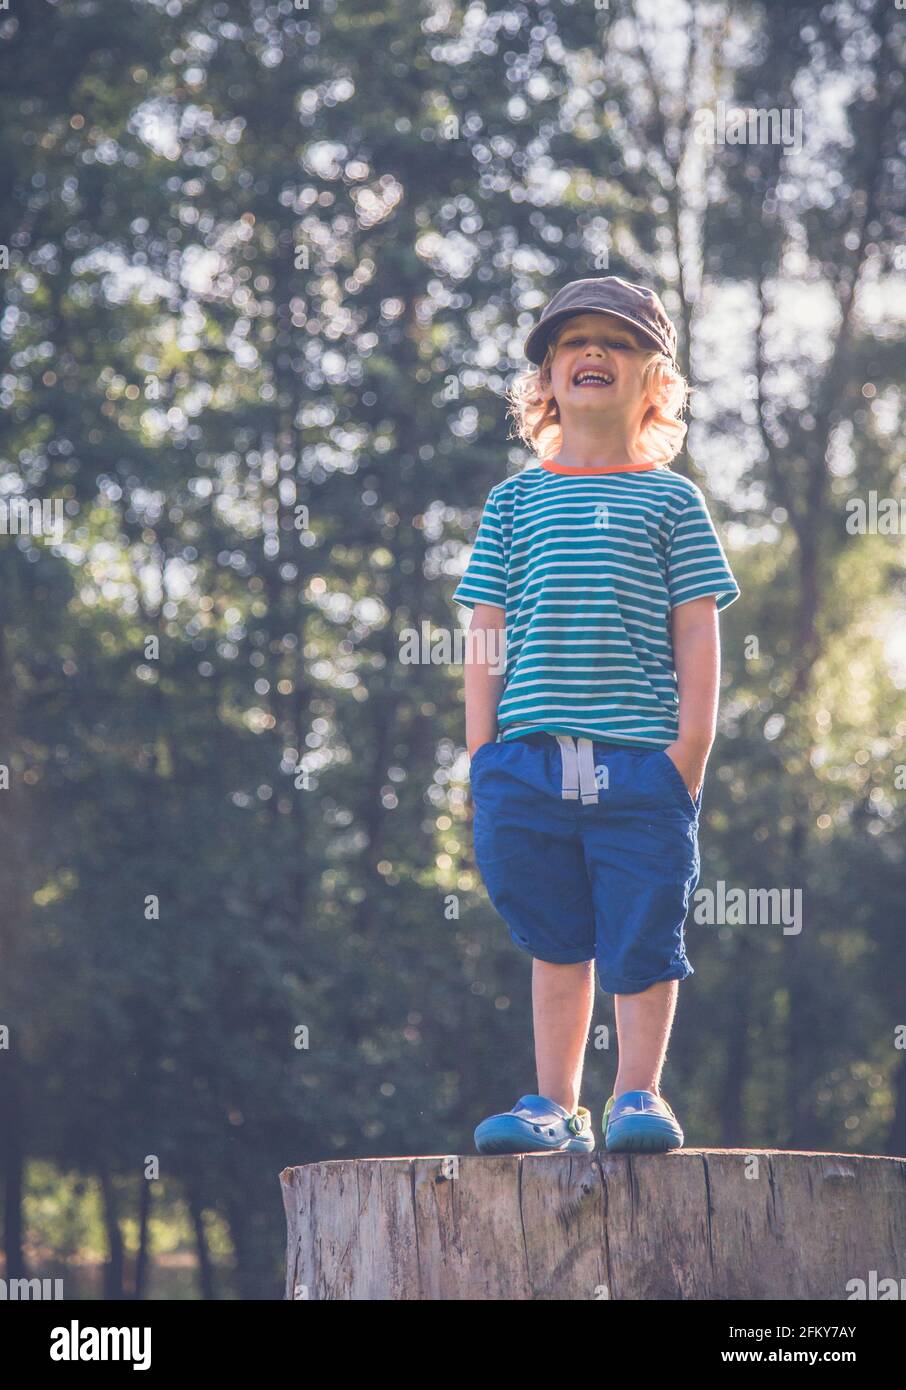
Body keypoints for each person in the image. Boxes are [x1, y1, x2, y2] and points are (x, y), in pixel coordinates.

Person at [452, 276, 740, 1154]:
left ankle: (638, 1097)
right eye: (571, 341)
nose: (591, 354)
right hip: (528, 765)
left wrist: (687, 753)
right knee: (555, 937)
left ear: (655, 379)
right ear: (544, 379)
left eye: (615, 343)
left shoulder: (673, 501)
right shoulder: (514, 501)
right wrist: (482, 756)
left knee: (644, 933)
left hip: (640, 764)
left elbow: (697, 634)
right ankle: (553, 1106)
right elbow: (487, 633)